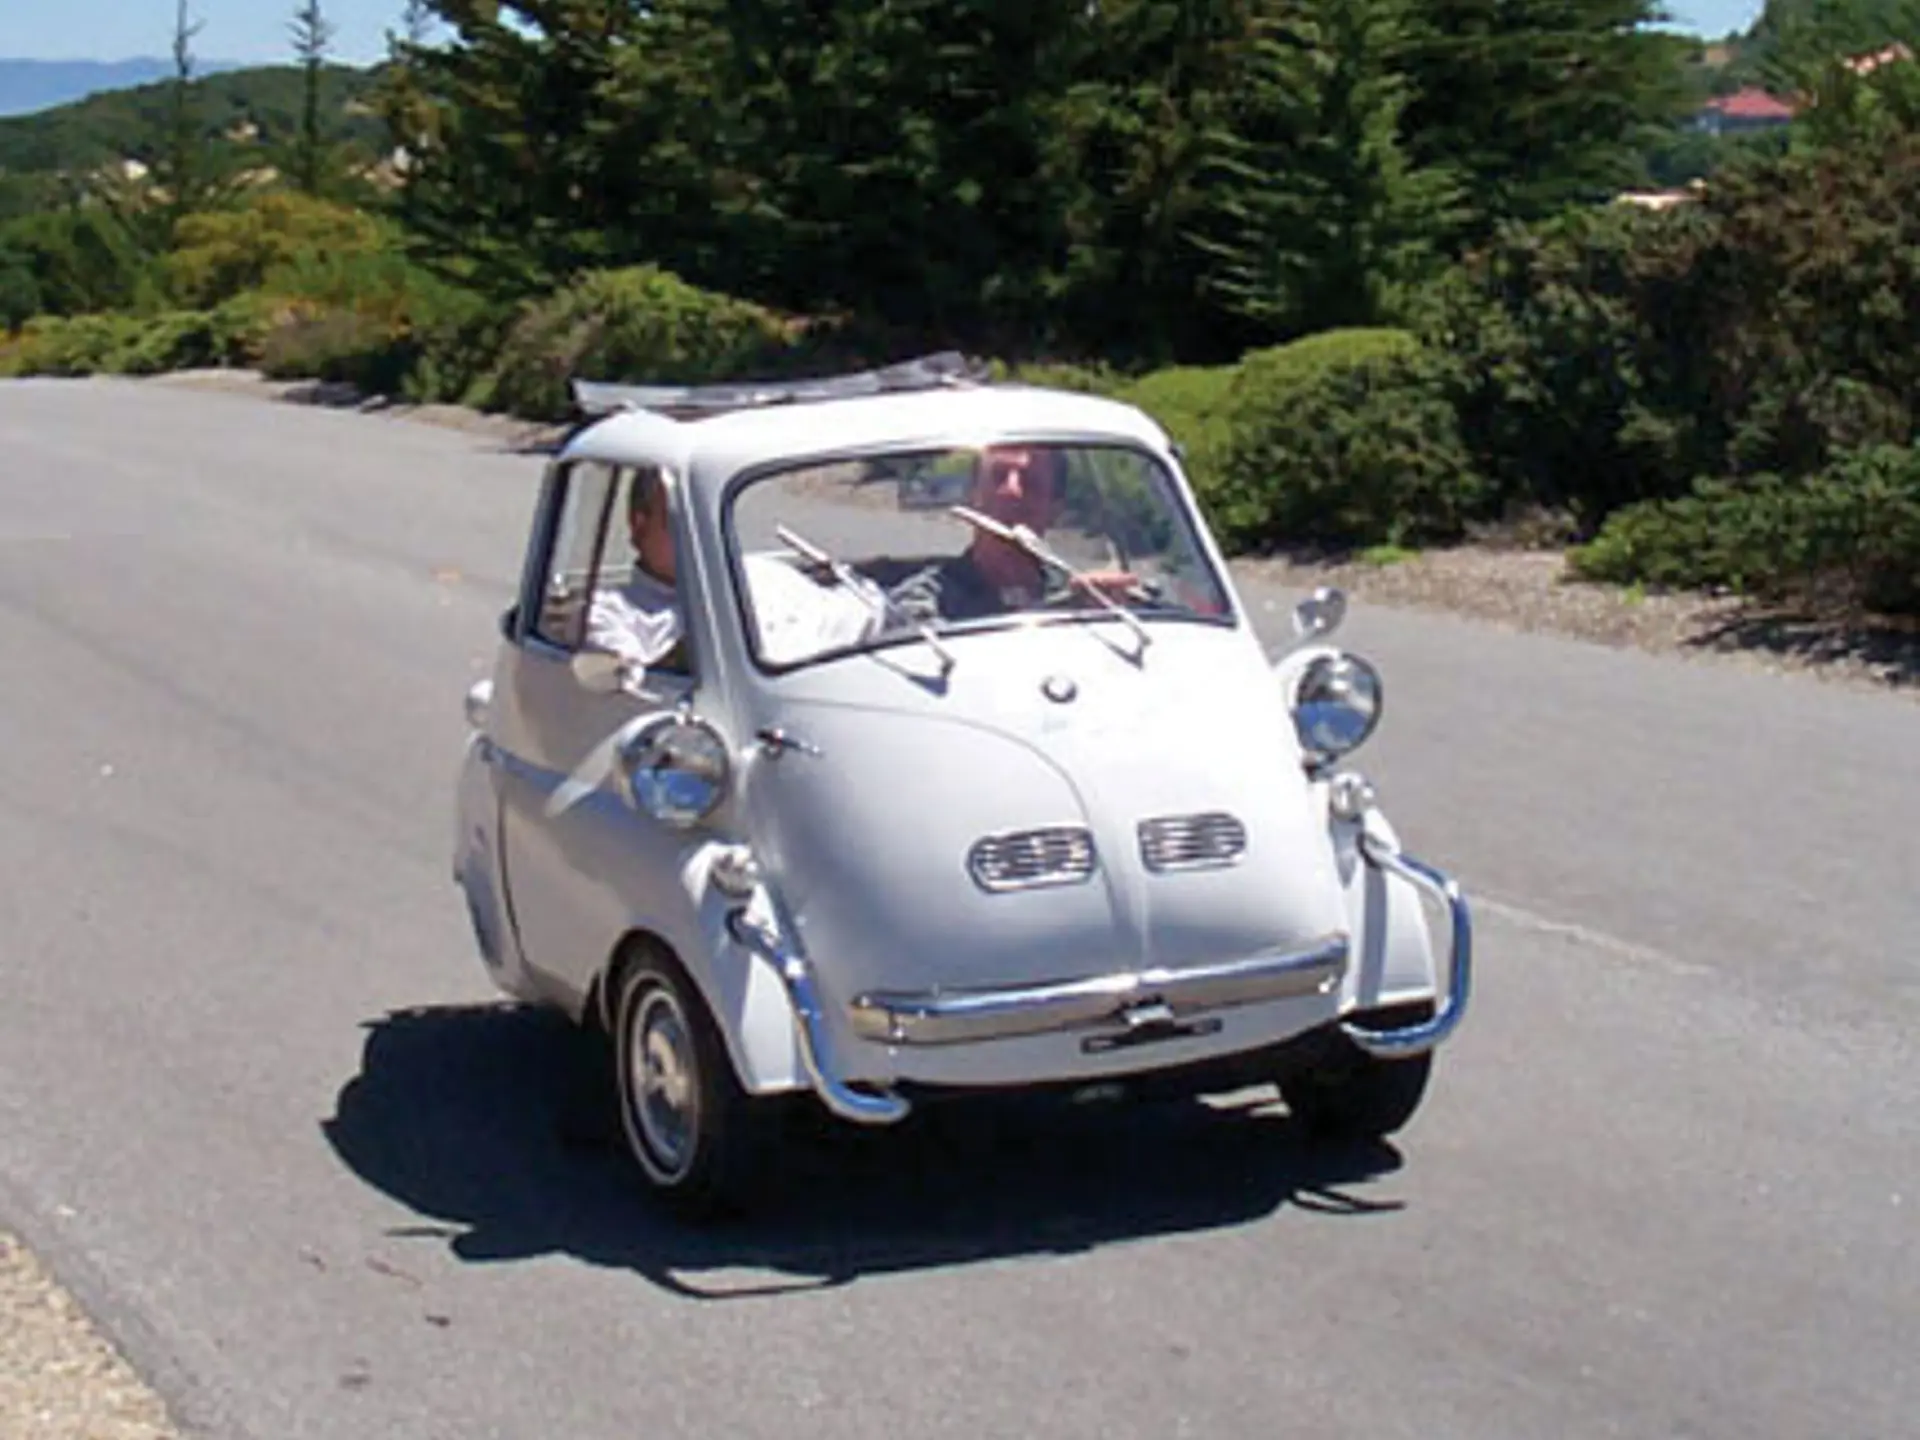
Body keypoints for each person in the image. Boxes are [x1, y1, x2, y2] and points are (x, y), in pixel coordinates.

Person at [879, 445, 1142, 625]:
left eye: (1030, 482)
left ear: (1054, 509)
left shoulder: (1081, 595)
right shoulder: (922, 601)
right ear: (974, 497)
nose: (1011, 492)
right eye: (998, 477)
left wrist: (1105, 613)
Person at [583, 465, 689, 678]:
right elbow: (628, 682)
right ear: (639, 525)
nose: (697, 539)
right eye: (681, 524)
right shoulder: (606, 611)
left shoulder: (750, 588)